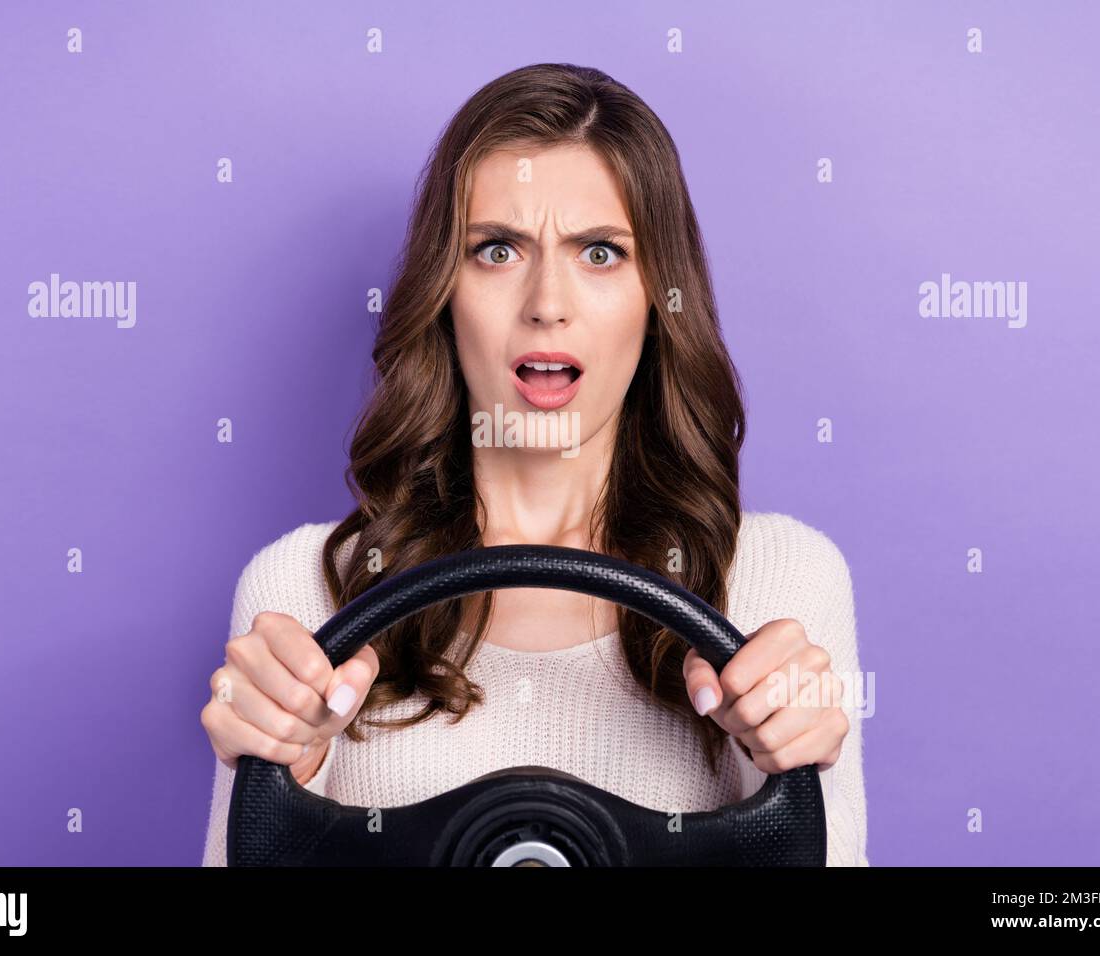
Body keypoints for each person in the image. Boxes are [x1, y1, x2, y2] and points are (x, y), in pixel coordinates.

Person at [200, 63, 868, 866]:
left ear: (660, 299)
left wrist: (787, 757)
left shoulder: (781, 585)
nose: (547, 302)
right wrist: (289, 775)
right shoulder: (305, 593)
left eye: (599, 253)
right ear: (442, 294)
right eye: (497, 250)